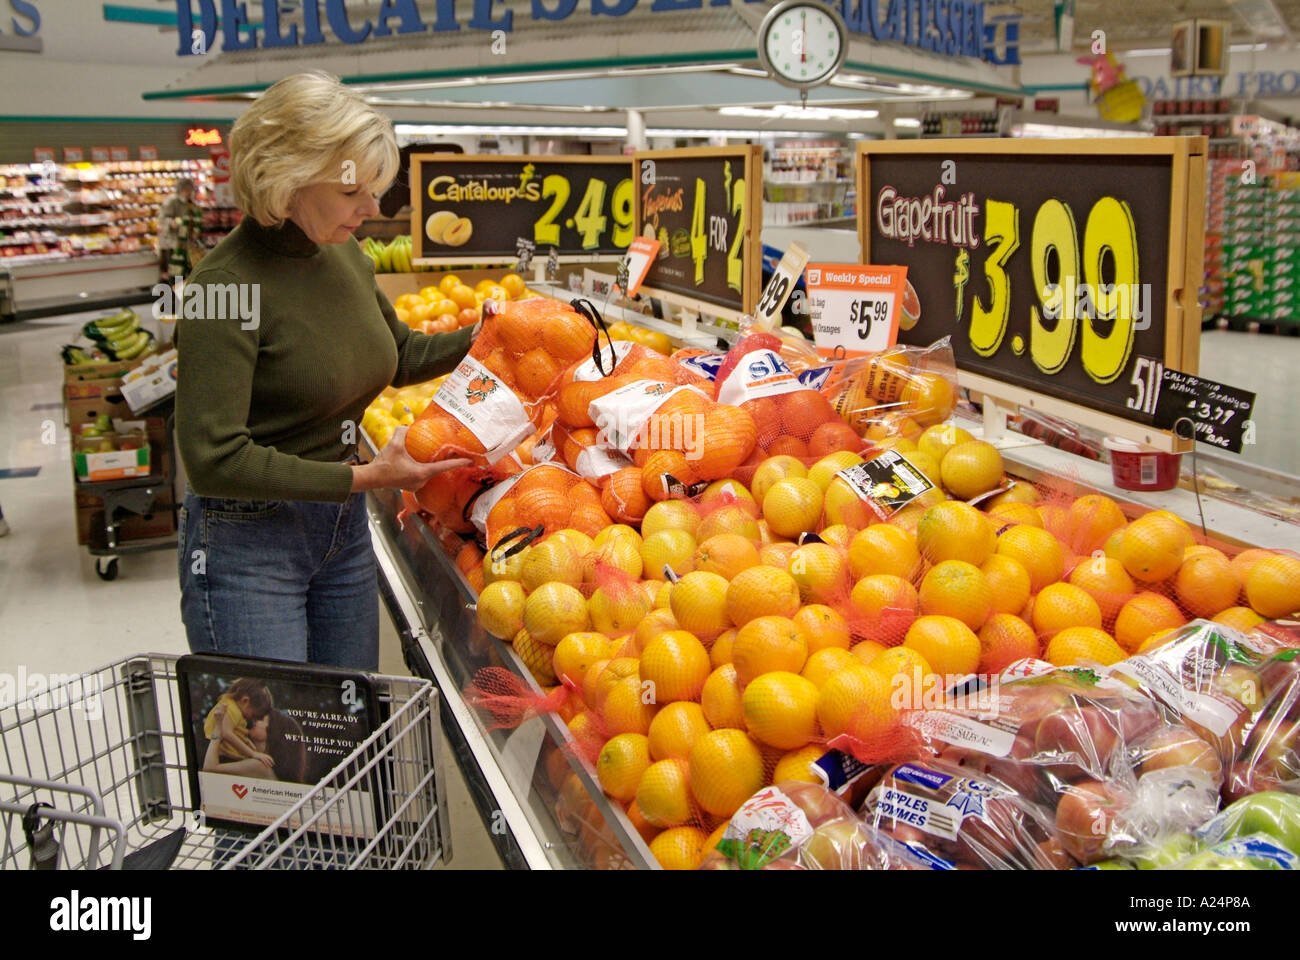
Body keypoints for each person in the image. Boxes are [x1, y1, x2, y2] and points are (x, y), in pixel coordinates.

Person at [175, 72, 473, 670]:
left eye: (376, 190)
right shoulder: (222, 288)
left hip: (340, 528)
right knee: (278, 744)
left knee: (347, 729)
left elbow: (402, 353)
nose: (374, 209)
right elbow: (214, 459)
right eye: (352, 192)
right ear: (285, 180)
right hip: (247, 544)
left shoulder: (342, 252)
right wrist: (367, 479)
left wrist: (500, 331)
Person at [203, 677, 274, 769]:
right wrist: (252, 753)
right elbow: (226, 733)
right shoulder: (231, 708)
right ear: (245, 701)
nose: (251, 719)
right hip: (224, 756)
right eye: (253, 715)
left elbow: (237, 733)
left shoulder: (236, 711)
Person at [157, 177, 198, 281]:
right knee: (174, 273)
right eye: (186, 190)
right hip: (172, 243)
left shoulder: (191, 204)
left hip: (185, 243)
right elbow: (162, 219)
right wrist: (172, 223)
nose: (189, 193)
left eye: (191, 190)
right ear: (180, 190)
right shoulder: (171, 202)